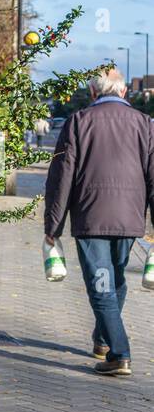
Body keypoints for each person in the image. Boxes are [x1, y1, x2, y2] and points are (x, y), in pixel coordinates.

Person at [45, 68, 154, 376]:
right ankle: (103, 339)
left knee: (101, 286)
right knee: (115, 279)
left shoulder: (78, 122)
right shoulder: (146, 125)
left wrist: (53, 226)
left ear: (92, 93)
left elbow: (60, 178)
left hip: (91, 217)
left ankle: (120, 354)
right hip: (130, 218)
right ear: (123, 92)